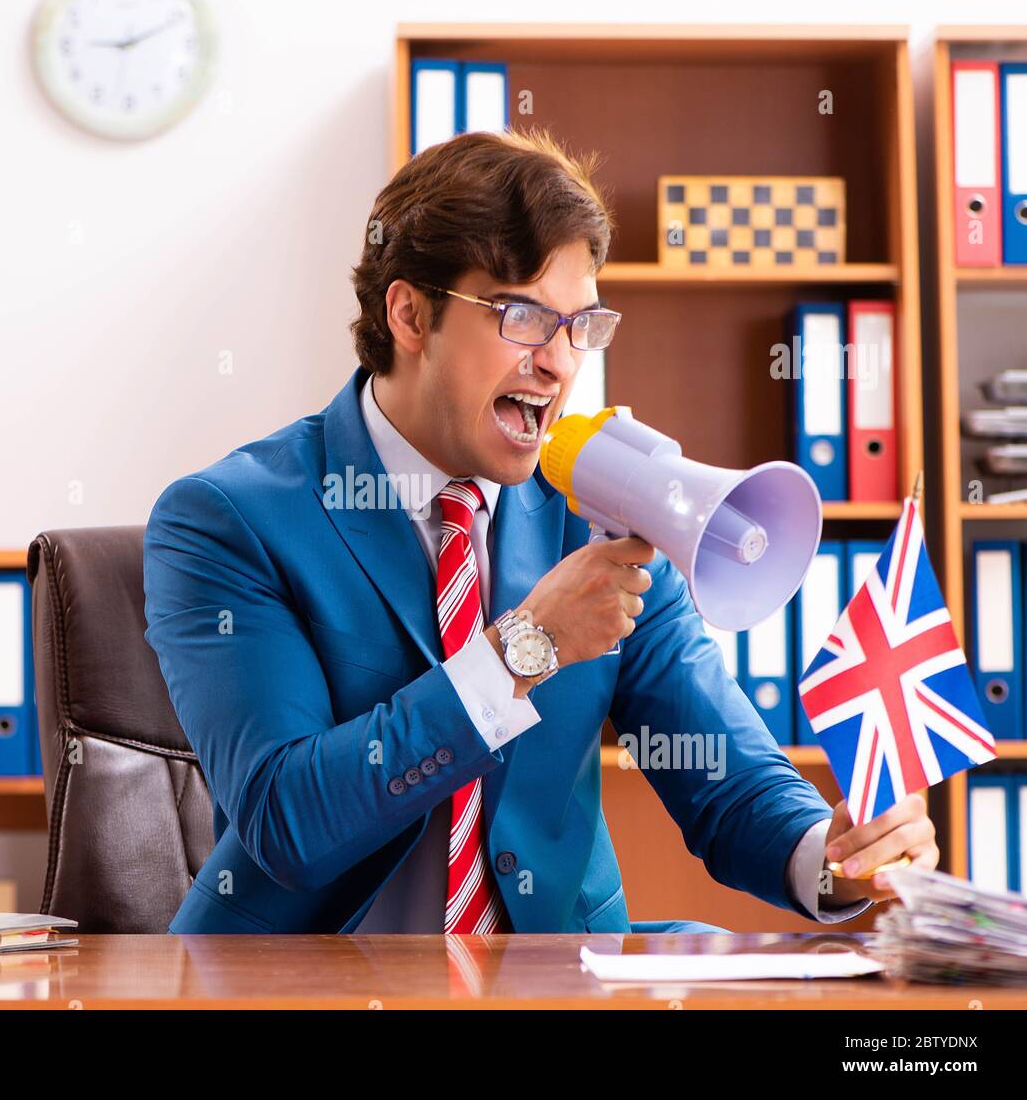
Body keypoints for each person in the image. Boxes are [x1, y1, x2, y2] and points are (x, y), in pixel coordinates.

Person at [143, 128, 937, 934]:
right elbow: (288, 821)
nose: (559, 363)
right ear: (410, 314)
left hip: (551, 975)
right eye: (522, 317)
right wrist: (525, 648)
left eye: (582, 325)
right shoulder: (227, 520)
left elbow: (727, 780)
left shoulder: (600, 507)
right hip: (311, 983)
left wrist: (833, 856)